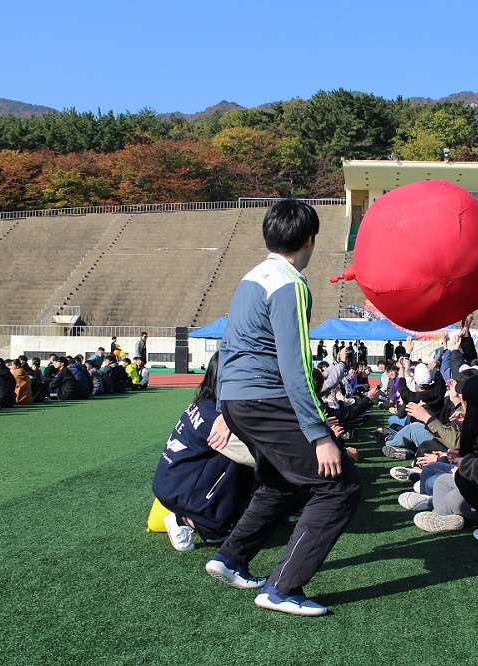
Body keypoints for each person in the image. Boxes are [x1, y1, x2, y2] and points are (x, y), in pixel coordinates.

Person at [205, 199, 361, 617]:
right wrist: (319, 435)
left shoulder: (251, 276)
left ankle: (232, 556)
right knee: (340, 485)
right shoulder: (291, 284)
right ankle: (282, 588)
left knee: (281, 481)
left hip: (239, 397)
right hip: (265, 396)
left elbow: (229, 346)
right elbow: (296, 367)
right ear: (310, 240)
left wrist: (225, 406)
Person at [153, 352, 254, 551]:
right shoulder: (216, 417)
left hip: (172, 481)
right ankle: (185, 521)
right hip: (182, 491)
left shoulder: (204, 401)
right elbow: (252, 456)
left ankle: (211, 524)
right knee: (252, 463)